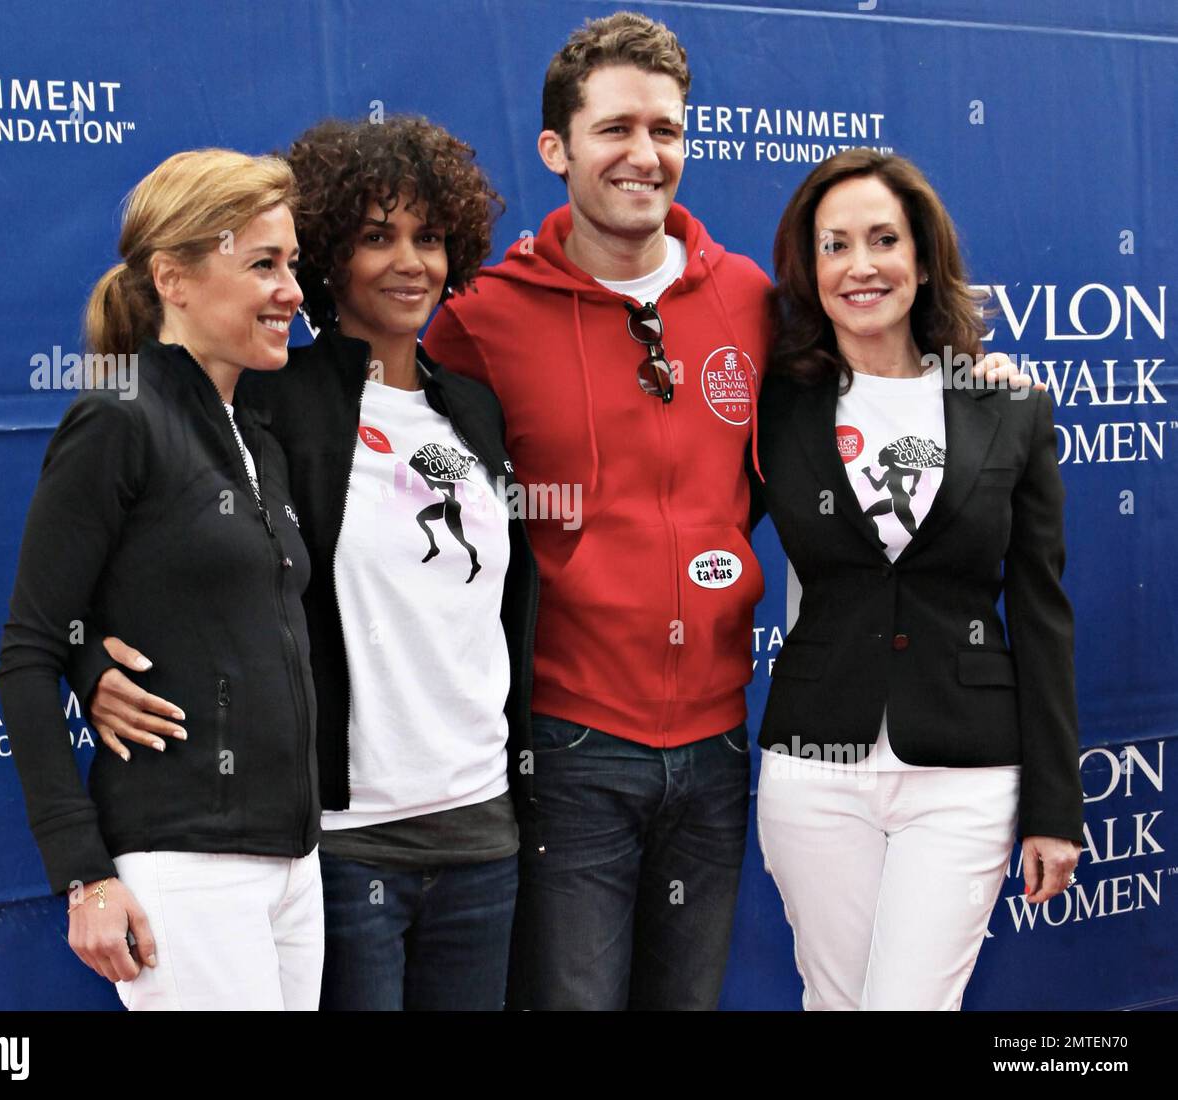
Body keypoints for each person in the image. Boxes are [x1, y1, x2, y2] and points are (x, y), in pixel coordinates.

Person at [72, 117, 538, 1011]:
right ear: (325, 257)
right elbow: (154, 552)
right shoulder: (272, 394)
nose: (411, 262)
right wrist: (90, 658)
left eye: (430, 238)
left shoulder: (474, 409)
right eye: (376, 237)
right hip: (342, 839)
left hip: (484, 834)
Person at [422, 11, 766, 1010]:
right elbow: (344, 467)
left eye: (664, 129)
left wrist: (968, 378)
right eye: (615, 128)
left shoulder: (745, 295)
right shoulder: (481, 316)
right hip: (570, 746)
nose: (643, 154)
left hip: (716, 743)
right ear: (556, 148)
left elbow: (870, 384)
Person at [752, 148, 1082, 1010]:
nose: (860, 266)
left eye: (883, 239)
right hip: (815, 766)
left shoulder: (1008, 406)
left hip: (964, 774)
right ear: (809, 267)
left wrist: (1056, 806)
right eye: (835, 246)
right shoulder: (774, 405)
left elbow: (1043, 613)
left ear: (925, 258)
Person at [0, 149, 323, 1010]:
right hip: (184, 865)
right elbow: (28, 652)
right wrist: (83, 877)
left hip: (294, 864)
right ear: (173, 278)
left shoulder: (259, 437)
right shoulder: (117, 417)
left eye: (292, 263)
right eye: (262, 264)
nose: (291, 289)